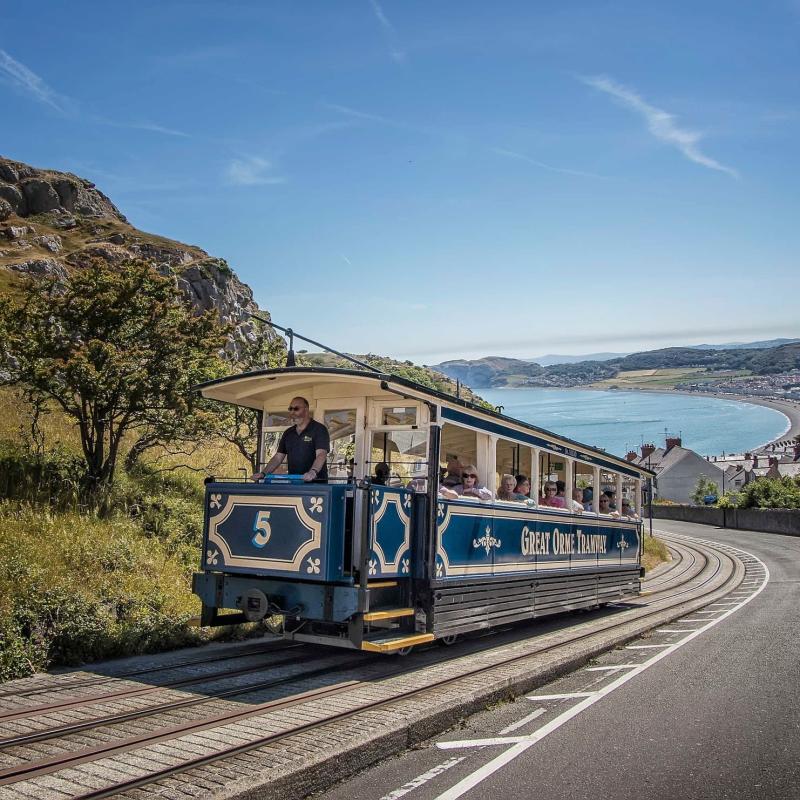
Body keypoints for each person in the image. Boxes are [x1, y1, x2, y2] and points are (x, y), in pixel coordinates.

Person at [253, 396, 330, 482]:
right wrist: (263, 473)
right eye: (290, 409)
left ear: (306, 410)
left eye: (296, 409)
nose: (292, 412)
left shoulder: (319, 429)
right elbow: (278, 458)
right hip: (294, 483)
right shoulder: (288, 433)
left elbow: (321, 454)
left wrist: (313, 472)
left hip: (317, 484)